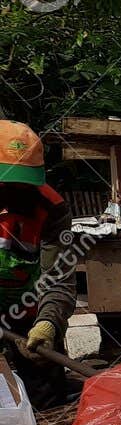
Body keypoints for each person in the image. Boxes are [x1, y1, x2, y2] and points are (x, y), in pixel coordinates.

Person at [0, 121, 78, 406]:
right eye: (9, 181)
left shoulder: (52, 209)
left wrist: (47, 323)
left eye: (25, 181)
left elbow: (59, 278)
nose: (18, 190)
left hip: (30, 312)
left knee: (46, 398)